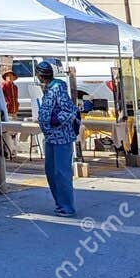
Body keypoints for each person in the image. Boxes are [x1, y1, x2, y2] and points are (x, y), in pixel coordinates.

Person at [35, 61, 80, 217]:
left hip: (61, 137)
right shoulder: (48, 89)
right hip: (51, 138)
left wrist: (55, 120)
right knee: (51, 171)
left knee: (61, 173)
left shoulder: (58, 88)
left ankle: (66, 206)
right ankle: (60, 204)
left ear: (40, 75)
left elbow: (70, 110)